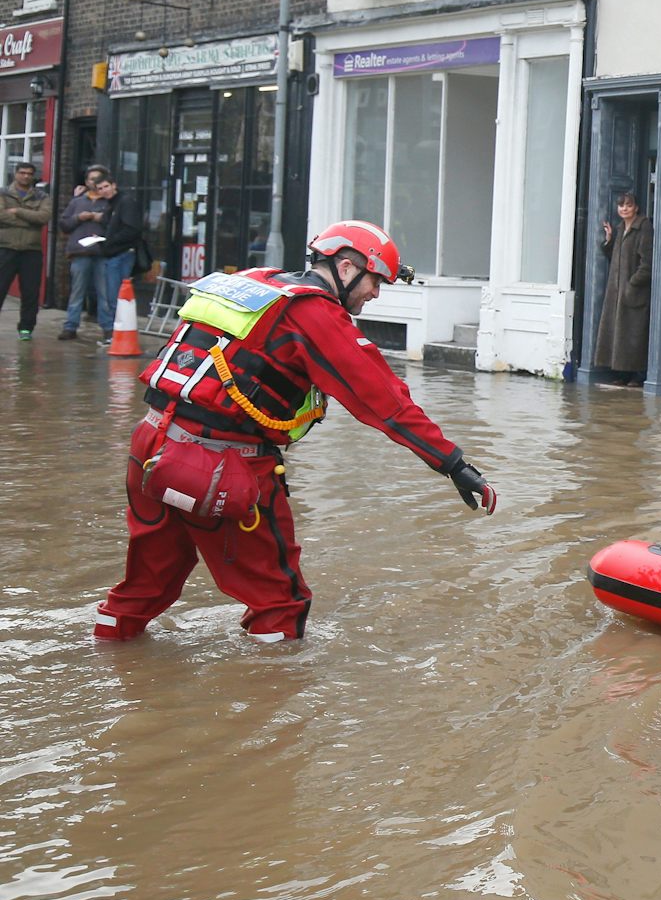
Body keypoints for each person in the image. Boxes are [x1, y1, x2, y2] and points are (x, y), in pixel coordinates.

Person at [93, 220, 499, 644]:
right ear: (345, 268)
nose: (375, 294)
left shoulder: (254, 282)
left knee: (145, 587)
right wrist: (453, 464)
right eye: (376, 281)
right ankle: (268, 697)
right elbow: (387, 404)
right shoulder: (314, 313)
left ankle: (107, 658)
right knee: (281, 602)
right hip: (219, 466)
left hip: (151, 445)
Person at [592, 190, 653, 386]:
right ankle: (622, 373)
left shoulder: (643, 227)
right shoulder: (621, 228)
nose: (624, 209)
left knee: (634, 334)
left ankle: (638, 374)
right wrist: (609, 239)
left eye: (628, 205)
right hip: (617, 292)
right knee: (620, 334)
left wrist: (633, 283)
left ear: (636, 207)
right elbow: (617, 257)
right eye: (621, 205)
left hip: (634, 292)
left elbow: (648, 262)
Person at [56, 168, 112, 340]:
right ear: (86, 181)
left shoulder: (110, 202)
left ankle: (108, 328)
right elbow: (64, 224)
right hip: (80, 251)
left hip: (102, 252)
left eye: (98, 179)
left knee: (105, 293)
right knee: (77, 291)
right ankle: (71, 326)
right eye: (91, 179)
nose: (94, 182)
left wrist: (100, 218)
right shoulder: (77, 201)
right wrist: (78, 218)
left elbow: (118, 224)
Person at [91, 176, 146, 344]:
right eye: (100, 188)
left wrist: (108, 240)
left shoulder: (125, 202)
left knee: (117, 297)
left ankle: (119, 336)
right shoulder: (112, 204)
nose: (104, 190)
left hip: (121, 254)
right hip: (113, 254)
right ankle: (115, 334)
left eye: (106, 186)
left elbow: (132, 229)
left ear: (114, 185)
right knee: (111, 296)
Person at [0, 160, 51, 339]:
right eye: (22, 173)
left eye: (29, 174)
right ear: (16, 174)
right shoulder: (4, 193)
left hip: (31, 250)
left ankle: (26, 329)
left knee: (30, 292)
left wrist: (18, 212)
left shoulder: (41, 196)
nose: (26, 176)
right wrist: (29, 220)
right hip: (6, 248)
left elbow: (44, 217)